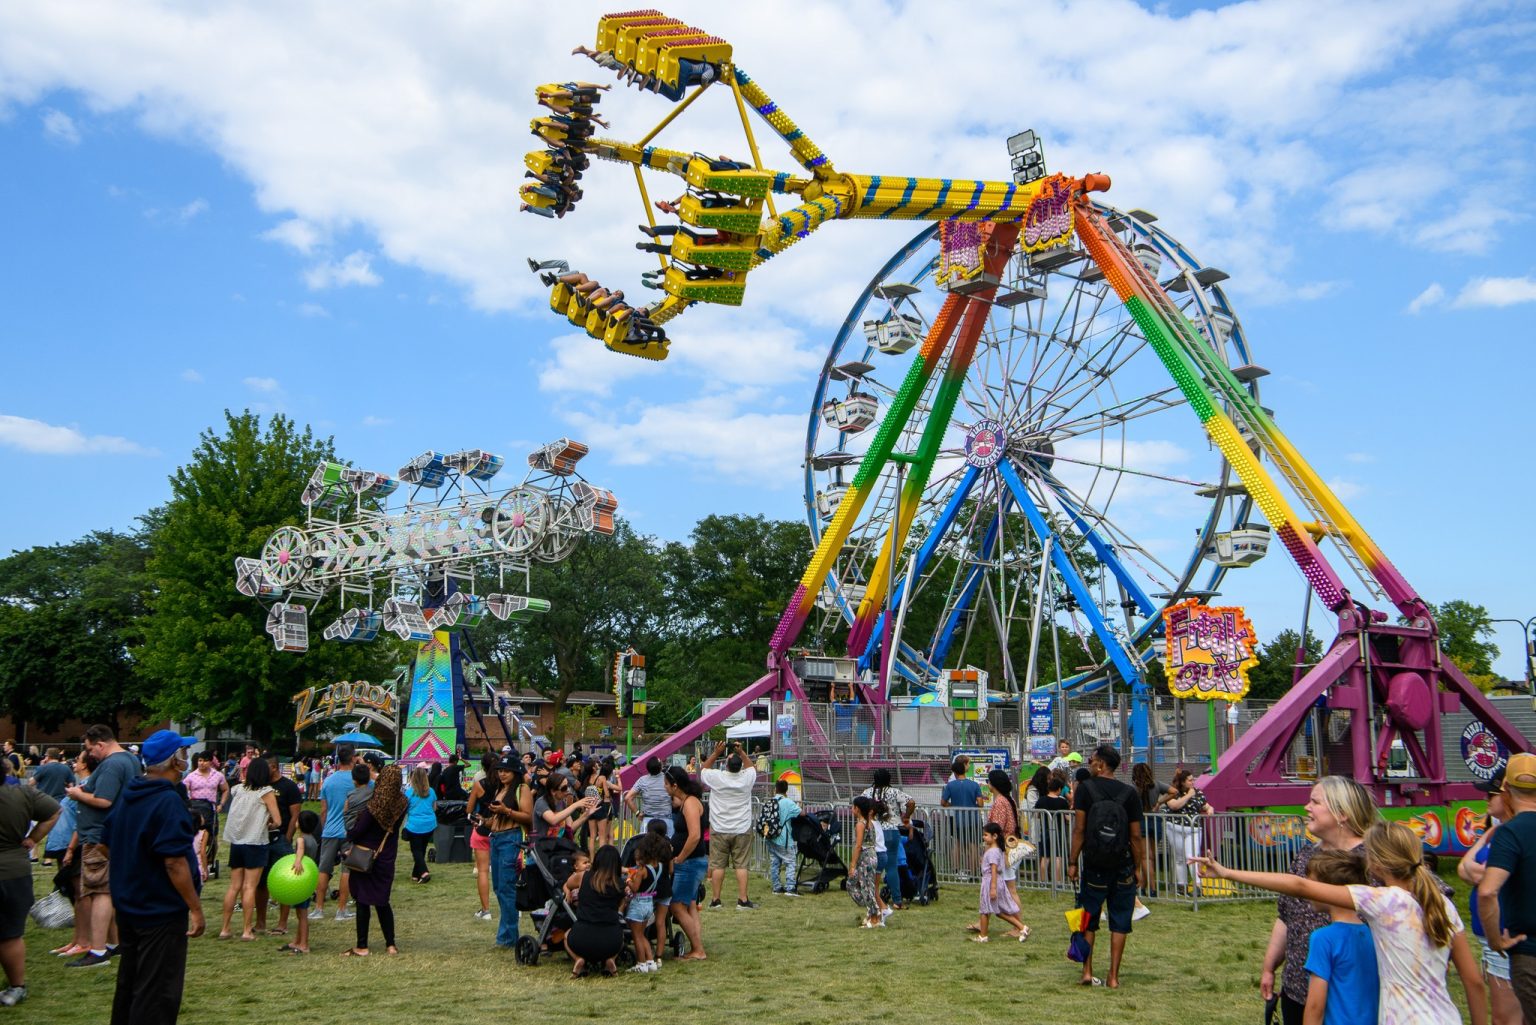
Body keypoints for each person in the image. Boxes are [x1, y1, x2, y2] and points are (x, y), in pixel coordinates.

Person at [1202, 819, 1486, 1025]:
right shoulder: (1443, 904)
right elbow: (1473, 981)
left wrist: (1227, 873)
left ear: (1375, 863)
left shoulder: (1384, 901)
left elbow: (1299, 887)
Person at [100, 729, 204, 1024]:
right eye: (182, 753)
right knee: (156, 993)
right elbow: (175, 863)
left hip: (130, 905)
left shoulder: (131, 794)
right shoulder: (167, 801)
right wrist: (195, 908)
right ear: (175, 762)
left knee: (130, 983)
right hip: (160, 910)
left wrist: (134, 869)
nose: (186, 759)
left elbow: (105, 842)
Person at [1260, 776, 1381, 1025]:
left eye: (1315, 801)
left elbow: (1427, 898)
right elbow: (1286, 916)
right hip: (1297, 989)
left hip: (1351, 997)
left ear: (1342, 813)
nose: (1306, 807)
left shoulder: (1375, 859)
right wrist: (1269, 967)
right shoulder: (1306, 855)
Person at [1067, 744, 1145, 989]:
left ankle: (1087, 972)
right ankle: (1113, 976)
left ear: (1100, 764)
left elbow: (1079, 829)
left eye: (1092, 760)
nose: (1089, 763)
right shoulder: (1129, 793)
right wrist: (1138, 867)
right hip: (1122, 864)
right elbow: (1135, 836)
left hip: (1094, 864)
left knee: (1088, 917)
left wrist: (1072, 862)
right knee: (1120, 920)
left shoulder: (1085, 790)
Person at [65, 723, 142, 968]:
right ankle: (113, 943)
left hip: (99, 836)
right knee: (109, 889)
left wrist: (78, 795)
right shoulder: (130, 760)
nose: (89, 755)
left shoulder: (111, 764)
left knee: (100, 891)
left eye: (90, 749)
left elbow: (104, 800)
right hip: (119, 833)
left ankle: (98, 951)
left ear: (100, 744)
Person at [1460, 767, 1528, 1025]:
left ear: (1508, 794)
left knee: (1505, 1017)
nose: (1486, 799)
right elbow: (1463, 868)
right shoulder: (1494, 832)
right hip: (1489, 936)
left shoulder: (1515, 834)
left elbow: (1488, 880)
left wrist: (1483, 874)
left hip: (1505, 934)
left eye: (1492, 794)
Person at [1480, 751, 1536, 1023]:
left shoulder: (1510, 832)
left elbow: (1488, 890)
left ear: (1505, 790)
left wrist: (1495, 940)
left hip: (1529, 951)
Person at [0, 760, 60, 1006]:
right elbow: (55, 810)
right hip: (14, 870)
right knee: (11, 934)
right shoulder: (22, 793)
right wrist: (33, 838)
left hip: (12, 868)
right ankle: (16, 988)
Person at [1299, 849, 1379, 1025]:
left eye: (1313, 885)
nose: (1308, 892)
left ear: (1328, 890)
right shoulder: (1376, 935)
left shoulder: (1323, 939)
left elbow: (1315, 1007)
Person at [342, 764, 407, 957]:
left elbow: (356, 832)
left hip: (366, 856)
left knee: (362, 900)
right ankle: (391, 944)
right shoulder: (402, 803)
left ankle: (362, 946)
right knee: (382, 901)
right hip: (387, 855)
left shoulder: (373, 806)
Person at [219, 753, 279, 941]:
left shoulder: (238, 789)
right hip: (255, 842)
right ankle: (246, 930)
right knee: (249, 887)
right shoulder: (266, 792)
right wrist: (267, 824)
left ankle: (225, 928)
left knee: (234, 887)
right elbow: (277, 820)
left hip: (237, 842)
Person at [702, 740, 758, 910]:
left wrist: (716, 752)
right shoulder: (746, 778)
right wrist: (741, 752)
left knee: (718, 865)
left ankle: (716, 900)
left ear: (725, 764)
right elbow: (752, 769)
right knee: (741, 865)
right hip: (741, 827)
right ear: (740, 766)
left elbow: (704, 769)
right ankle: (742, 899)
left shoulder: (717, 777)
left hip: (719, 827)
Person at [483, 756, 532, 950]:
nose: (502, 773)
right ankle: (506, 935)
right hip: (496, 838)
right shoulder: (500, 789)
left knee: (507, 888)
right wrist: (484, 821)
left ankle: (507, 938)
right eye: (500, 770)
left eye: (506, 770)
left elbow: (528, 817)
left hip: (511, 839)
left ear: (516, 772)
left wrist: (507, 811)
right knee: (498, 888)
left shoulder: (522, 789)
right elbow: (497, 818)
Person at [255, 754, 304, 936]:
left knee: (285, 881)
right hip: (260, 839)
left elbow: (294, 815)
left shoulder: (288, 787)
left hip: (280, 840)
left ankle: (282, 923)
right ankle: (260, 922)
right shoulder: (259, 786)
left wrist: (288, 836)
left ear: (274, 767)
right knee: (260, 883)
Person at [663, 766, 709, 959]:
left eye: (666, 784)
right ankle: (696, 945)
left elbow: (695, 835)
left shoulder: (690, 803)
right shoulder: (686, 802)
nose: (664, 788)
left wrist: (680, 857)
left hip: (689, 862)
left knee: (676, 906)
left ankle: (698, 950)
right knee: (689, 904)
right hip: (692, 861)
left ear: (675, 785)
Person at [565, 844, 626, 976]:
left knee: (566, 936)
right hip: (610, 940)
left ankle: (578, 959)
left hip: (582, 937)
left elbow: (568, 883)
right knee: (621, 935)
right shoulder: (620, 884)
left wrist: (569, 892)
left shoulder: (583, 877)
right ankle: (610, 959)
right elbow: (622, 904)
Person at [315, 744, 358, 921]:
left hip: (330, 831)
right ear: (353, 758)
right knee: (346, 870)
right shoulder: (358, 780)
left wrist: (324, 829)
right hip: (350, 830)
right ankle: (341, 909)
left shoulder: (329, 781)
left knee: (323, 869)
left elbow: (323, 810)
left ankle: (318, 908)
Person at [861, 768, 915, 911]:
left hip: (874, 831)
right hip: (891, 831)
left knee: (874, 866)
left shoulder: (867, 793)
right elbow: (911, 802)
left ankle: (873, 897)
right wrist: (906, 817)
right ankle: (897, 900)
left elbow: (859, 805)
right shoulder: (894, 792)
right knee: (892, 867)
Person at [625, 831, 672, 973]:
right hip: (648, 902)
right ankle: (650, 960)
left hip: (638, 903)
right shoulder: (659, 867)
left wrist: (628, 881)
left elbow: (635, 888)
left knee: (637, 936)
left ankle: (641, 963)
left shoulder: (641, 871)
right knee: (642, 934)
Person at [973, 822, 1028, 943]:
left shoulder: (993, 852)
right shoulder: (998, 850)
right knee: (999, 912)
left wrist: (992, 888)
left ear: (995, 836)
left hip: (991, 882)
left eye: (986, 835)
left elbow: (993, 870)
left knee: (984, 910)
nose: (984, 837)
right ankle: (1022, 927)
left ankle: (983, 936)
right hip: (997, 882)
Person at [277, 809, 322, 956]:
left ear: (299, 824)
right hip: (308, 879)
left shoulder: (301, 839)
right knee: (300, 913)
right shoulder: (314, 840)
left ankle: (304, 944)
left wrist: (297, 860)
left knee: (302, 915)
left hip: (301, 881)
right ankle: (297, 941)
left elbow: (301, 849)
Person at [1163, 768, 1210, 897]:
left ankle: (1197, 885)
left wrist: (1210, 808)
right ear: (1183, 782)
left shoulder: (1198, 793)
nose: (1192, 782)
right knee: (1179, 858)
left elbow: (1205, 805)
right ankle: (1182, 886)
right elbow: (1174, 806)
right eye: (1190, 780)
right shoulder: (1172, 792)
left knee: (1192, 856)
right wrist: (1189, 795)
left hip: (1193, 829)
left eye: (1193, 779)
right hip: (1174, 827)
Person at [466, 753, 499, 920]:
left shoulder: (479, 785)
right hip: (502, 829)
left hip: (482, 829)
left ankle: (486, 910)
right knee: (508, 871)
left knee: (483, 871)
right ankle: (515, 907)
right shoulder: (505, 785)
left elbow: (469, 809)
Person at [943, 758, 986, 879]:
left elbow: (943, 802)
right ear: (964, 769)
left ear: (955, 772)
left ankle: (955, 870)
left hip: (958, 820)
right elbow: (981, 803)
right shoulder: (974, 784)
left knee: (957, 844)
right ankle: (973, 872)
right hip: (974, 818)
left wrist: (953, 805)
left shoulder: (950, 785)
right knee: (974, 846)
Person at [1130, 763, 1169, 895]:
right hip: (1155, 820)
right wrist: (1159, 802)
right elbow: (1174, 791)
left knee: (1145, 857)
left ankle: (1151, 888)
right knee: (1151, 856)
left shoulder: (1134, 787)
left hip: (1141, 820)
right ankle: (1144, 886)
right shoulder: (1156, 784)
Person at [848, 795, 885, 929]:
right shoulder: (870, 822)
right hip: (872, 855)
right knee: (864, 886)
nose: (852, 810)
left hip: (865, 857)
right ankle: (873, 913)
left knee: (865, 887)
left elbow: (858, 846)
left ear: (857, 809)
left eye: (853, 807)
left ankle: (875, 917)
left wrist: (852, 865)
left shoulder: (860, 824)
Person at [766, 778, 801, 896]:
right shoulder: (788, 802)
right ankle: (790, 887)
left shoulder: (770, 801)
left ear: (775, 789)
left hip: (771, 837)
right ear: (786, 790)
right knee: (790, 861)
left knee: (775, 862)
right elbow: (801, 813)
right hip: (784, 838)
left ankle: (776, 887)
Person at [1035, 771, 1071, 885]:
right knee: (1057, 857)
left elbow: (1037, 815)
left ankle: (1043, 881)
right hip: (1059, 832)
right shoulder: (1062, 801)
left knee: (1045, 857)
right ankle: (1058, 881)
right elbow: (1067, 818)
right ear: (1059, 789)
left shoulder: (1041, 800)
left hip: (1045, 831)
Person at [403, 766, 437, 884]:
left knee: (416, 850)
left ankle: (424, 872)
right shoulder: (431, 791)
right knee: (422, 849)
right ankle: (415, 874)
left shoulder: (409, 793)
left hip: (415, 825)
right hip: (429, 824)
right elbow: (434, 807)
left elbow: (405, 809)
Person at [625, 756, 674, 837]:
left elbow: (627, 798)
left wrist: (637, 813)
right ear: (661, 767)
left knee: (647, 847)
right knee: (668, 847)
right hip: (666, 819)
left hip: (648, 820)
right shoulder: (668, 778)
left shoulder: (642, 780)